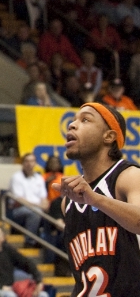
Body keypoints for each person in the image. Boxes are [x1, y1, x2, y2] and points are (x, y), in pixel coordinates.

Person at [62, 102, 140, 297]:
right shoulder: (69, 201)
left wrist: (95, 200)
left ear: (109, 136)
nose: (72, 125)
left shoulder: (128, 176)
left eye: (85, 120)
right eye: (73, 120)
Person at [0, 225, 39, 297]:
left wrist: (39, 281)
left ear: (3, 238)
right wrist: (0, 287)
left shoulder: (9, 251)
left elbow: (27, 263)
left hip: (11, 287)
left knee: (42, 294)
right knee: (10, 295)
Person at [8, 152, 48, 241]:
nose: (29, 164)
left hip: (38, 208)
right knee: (35, 212)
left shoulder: (39, 178)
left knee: (53, 213)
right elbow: (20, 200)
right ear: (22, 163)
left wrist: (45, 206)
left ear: (35, 163)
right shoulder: (16, 177)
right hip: (18, 210)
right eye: (27, 161)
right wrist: (39, 207)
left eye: (32, 161)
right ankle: (30, 241)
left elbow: (43, 198)